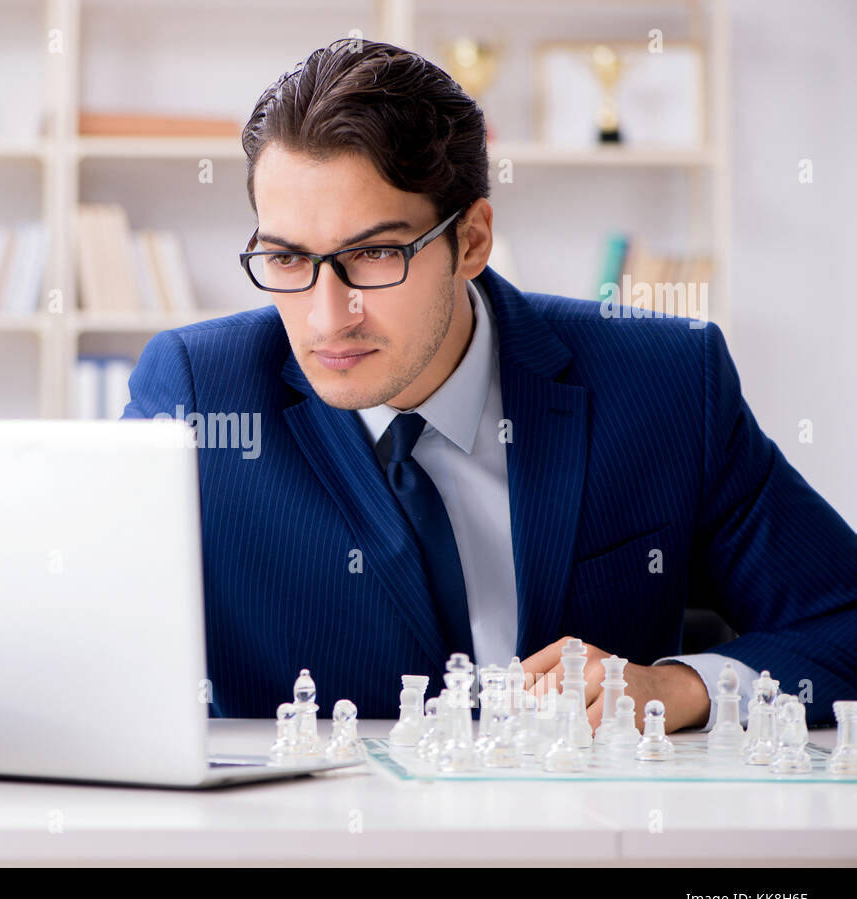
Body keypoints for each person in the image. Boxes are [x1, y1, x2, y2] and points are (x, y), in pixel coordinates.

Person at [121, 38, 857, 730]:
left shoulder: (665, 383)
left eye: (374, 254)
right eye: (286, 259)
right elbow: (77, 640)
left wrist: (679, 686)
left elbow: (843, 622)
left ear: (471, 240)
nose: (326, 316)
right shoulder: (199, 392)